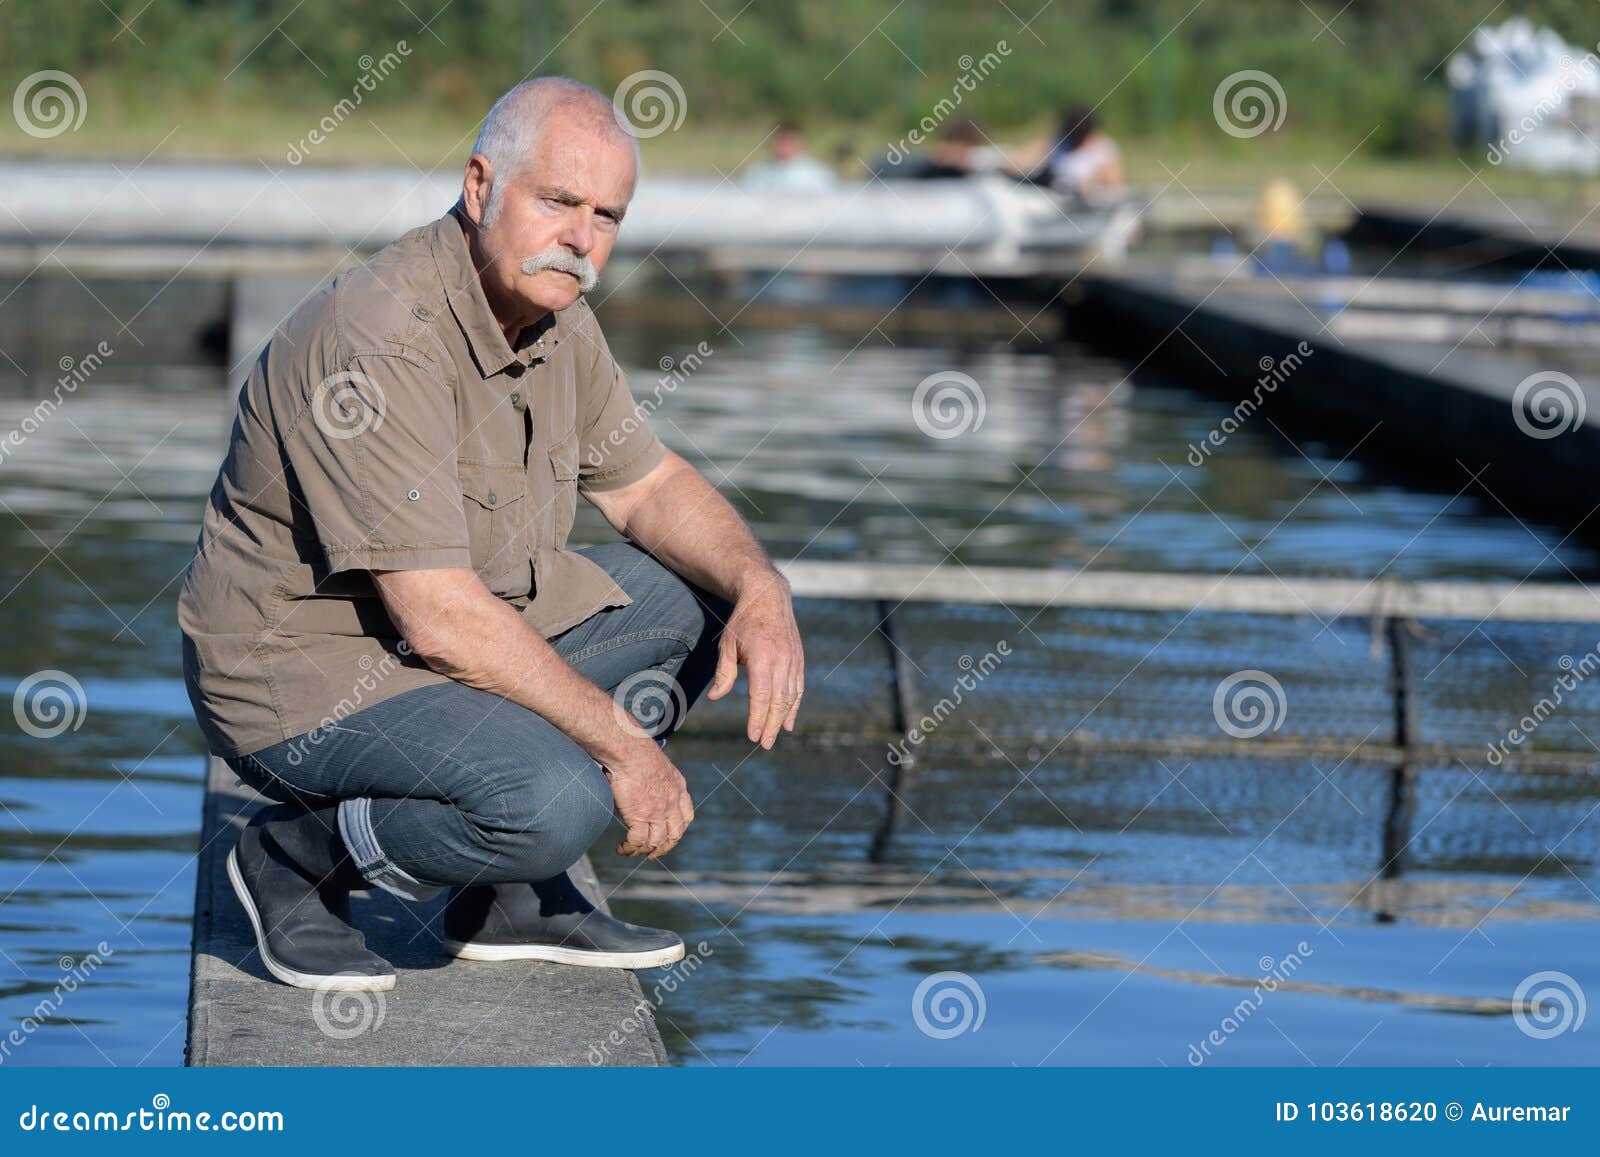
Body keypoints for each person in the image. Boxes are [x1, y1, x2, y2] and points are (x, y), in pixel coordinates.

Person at [177, 77, 805, 992]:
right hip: (303, 681)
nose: (581, 238)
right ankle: (296, 856)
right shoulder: (382, 339)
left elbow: (649, 488)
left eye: (606, 216)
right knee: (556, 800)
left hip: (436, 640)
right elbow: (438, 618)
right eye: (557, 201)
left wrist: (761, 586)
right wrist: (623, 746)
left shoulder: (554, 313)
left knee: (701, 601)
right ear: (480, 187)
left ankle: (506, 899)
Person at [1037, 106, 1124, 201]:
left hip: (1088, 201)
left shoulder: (1103, 148)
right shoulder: (1061, 142)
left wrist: (1091, 182)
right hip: (1055, 194)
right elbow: (1036, 155)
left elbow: (1114, 182)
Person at [741, 122, 836, 192]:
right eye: (781, 139)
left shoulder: (819, 174)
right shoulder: (757, 172)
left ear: (801, 142)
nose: (785, 145)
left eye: (790, 140)